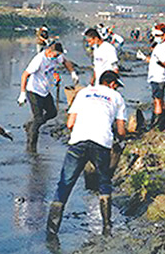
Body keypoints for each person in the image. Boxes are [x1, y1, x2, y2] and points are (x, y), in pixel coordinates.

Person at [46, 70, 127, 237]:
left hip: (78, 141)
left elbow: (69, 123)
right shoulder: (117, 97)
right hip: (101, 142)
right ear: (112, 84)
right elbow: (121, 131)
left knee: (65, 184)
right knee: (104, 181)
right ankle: (106, 227)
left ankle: (51, 231)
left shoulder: (83, 93)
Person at [18, 42, 80, 152]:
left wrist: (73, 73)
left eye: (58, 56)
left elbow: (66, 62)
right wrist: (22, 93)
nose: (57, 58)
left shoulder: (57, 56)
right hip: (34, 91)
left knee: (52, 113)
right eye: (55, 55)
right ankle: (31, 148)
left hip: (45, 91)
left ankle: (31, 125)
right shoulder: (39, 60)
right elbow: (25, 75)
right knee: (38, 118)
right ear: (49, 51)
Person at [136, 23, 165, 130]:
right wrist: (144, 57)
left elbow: (164, 64)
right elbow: (153, 61)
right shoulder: (159, 46)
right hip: (155, 77)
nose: (156, 37)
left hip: (159, 77)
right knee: (158, 100)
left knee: (157, 100)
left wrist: (155, 60)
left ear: (164, 35)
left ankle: (156, 125)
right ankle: (160, 122)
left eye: (158, 35)